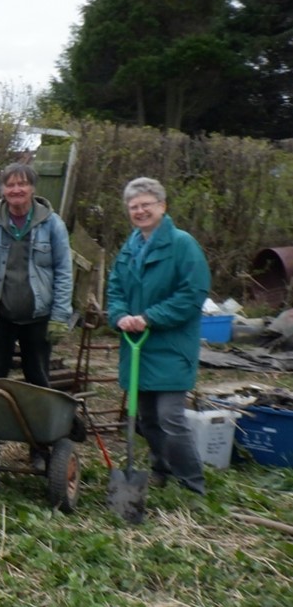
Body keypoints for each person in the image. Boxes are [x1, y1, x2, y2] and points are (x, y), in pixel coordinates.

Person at [107, 177, 209, 495]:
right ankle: (160, 468)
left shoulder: (182, 244)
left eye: (146, 205)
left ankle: (193, 483)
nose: (139, 211)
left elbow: (193, 294)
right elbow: (115, 289)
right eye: (133, 207)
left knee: (170, 417)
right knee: (146, 419)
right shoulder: (130, 247)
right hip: (138, 346)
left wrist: (150, 318)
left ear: (162, 206)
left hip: (170, 345)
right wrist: (120, 315)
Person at [0, 163, 73, 468]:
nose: (16, 190)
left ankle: (40, 450)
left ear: (32, 188)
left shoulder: (52, 224)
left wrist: (59, 315)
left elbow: (64, 273)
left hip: (38, 318)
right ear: (1, 190)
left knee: (38, 383)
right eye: (10, 185)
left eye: (22, 184)